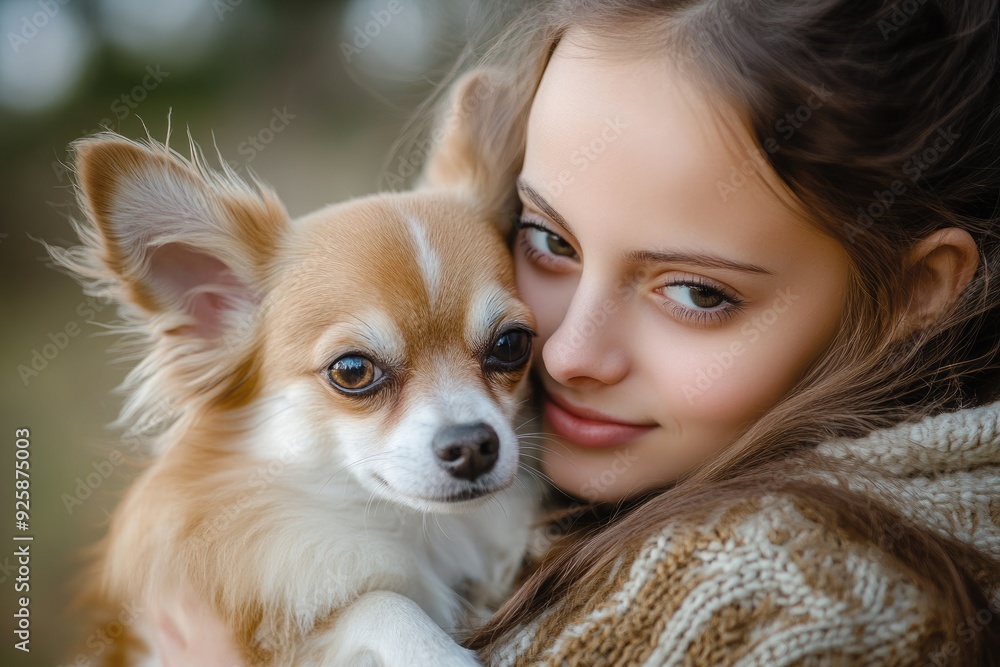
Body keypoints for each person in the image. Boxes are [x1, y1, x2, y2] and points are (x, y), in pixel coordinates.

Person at [151, 0, 1000, 664]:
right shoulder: (562, 501)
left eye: (699, 291)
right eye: (549, 240)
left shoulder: (798, 600)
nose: (564, 353)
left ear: (911, 292)